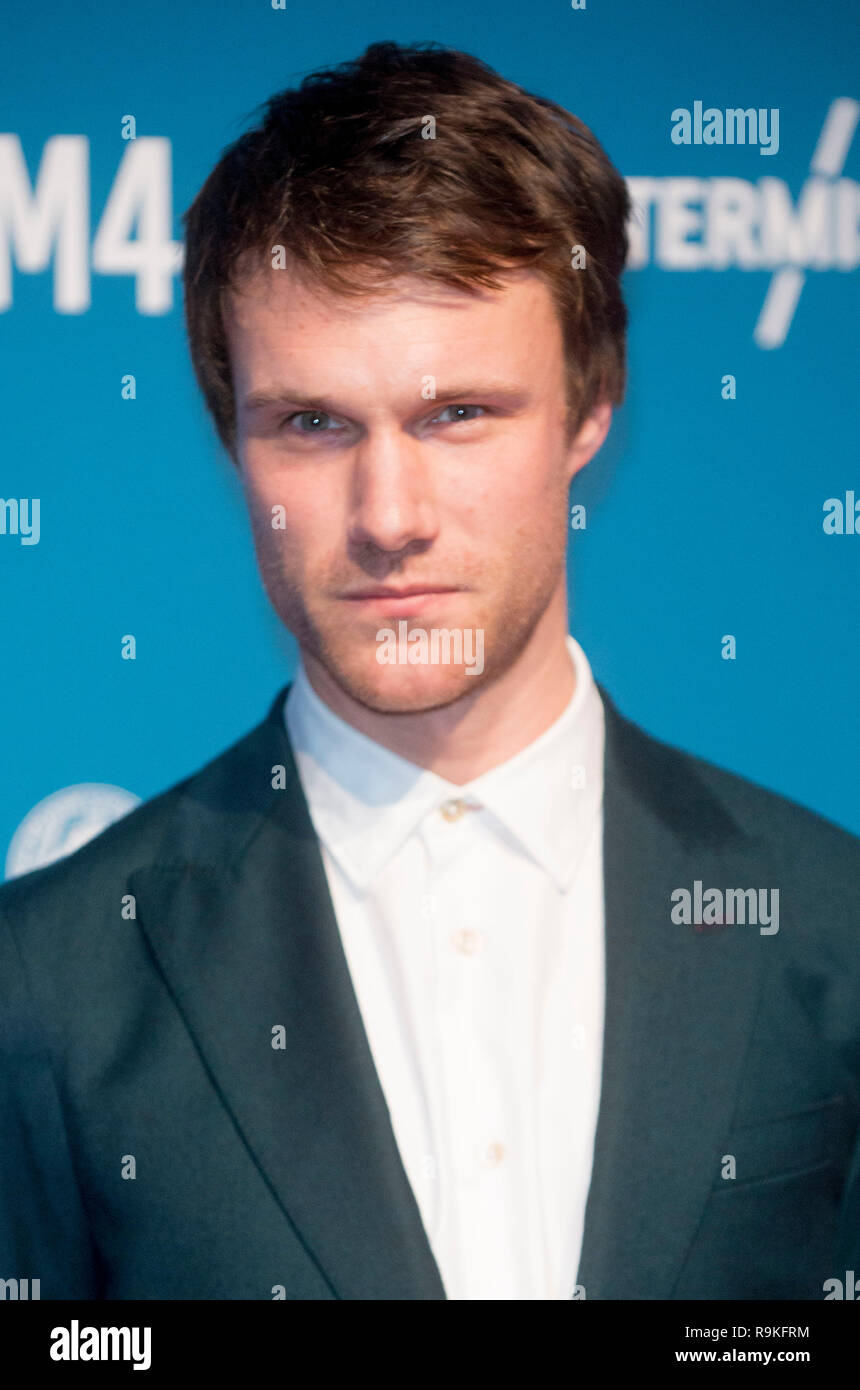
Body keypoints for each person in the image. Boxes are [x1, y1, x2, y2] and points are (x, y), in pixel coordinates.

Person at [1, 40, 858, 1302]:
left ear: (588, 407)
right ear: (227, 433)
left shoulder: (828, 925)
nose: (387, 514)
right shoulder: (47, 984)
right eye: (311, 423)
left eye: (457, 414)